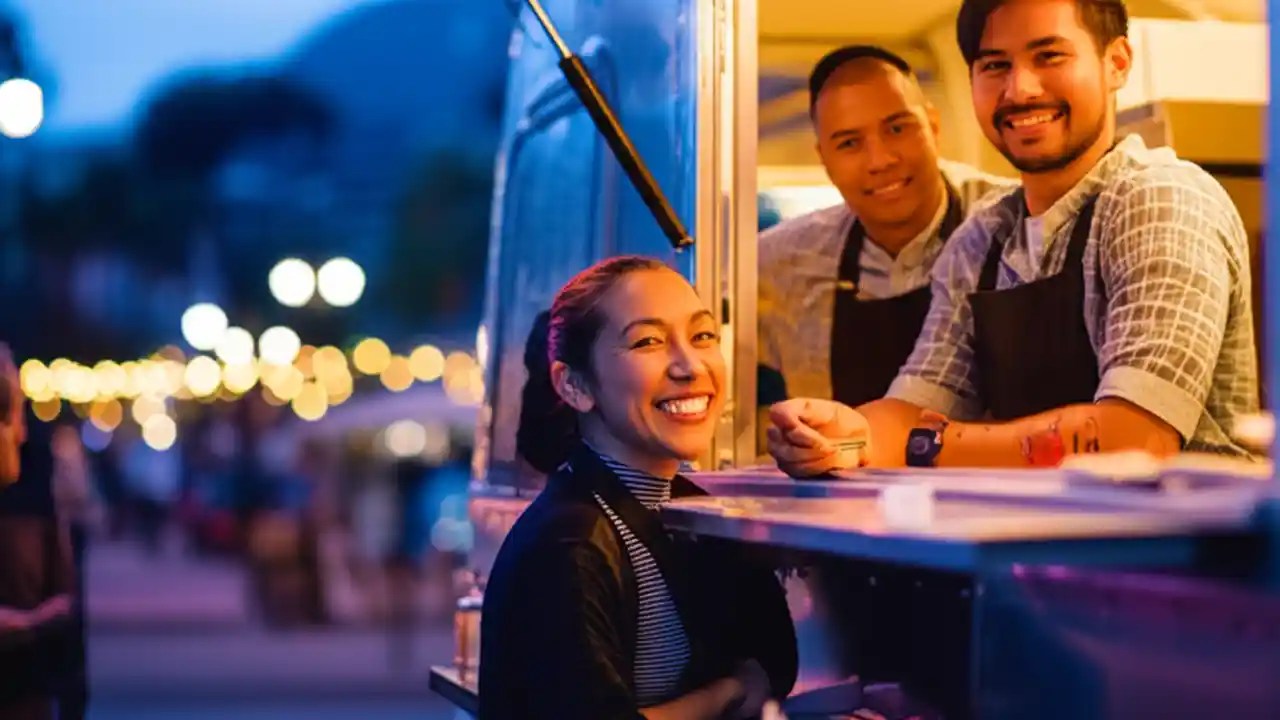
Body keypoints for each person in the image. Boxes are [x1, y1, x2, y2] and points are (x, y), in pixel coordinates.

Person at [768, 0, 1258, 475]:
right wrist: (840, 435)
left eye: (1049, 56)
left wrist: (930, 443)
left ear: (1117, 62)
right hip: (1030, 546)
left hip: (1175, 551)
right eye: (995, 66)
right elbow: (913, 406)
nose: (1020, 89)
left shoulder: (1160, 198)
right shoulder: (984, 237)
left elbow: (1134, 441)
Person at [479, 256, 797, 719]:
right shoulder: (569, 544)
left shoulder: (691, 509)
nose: (689, 365)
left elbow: (772, 666)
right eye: (648, 341)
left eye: (703, 335)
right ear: (573, 384)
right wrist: (725, 693)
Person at [758, 45, 1014, 412]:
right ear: (824, 160)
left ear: (933, 125)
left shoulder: (1015, 224)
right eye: (849, 143)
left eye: (897, 128)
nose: (880, 160)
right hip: (842, 464)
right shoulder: (776, 263)